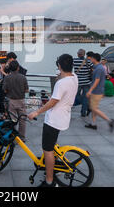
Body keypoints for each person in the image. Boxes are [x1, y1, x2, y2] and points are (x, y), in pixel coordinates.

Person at [28, 54, 78, 187]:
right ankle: (52, 165)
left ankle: (50, 181)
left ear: (59, 66)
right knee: (53, 144)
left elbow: (52, 103)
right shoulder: (74, 77)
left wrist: (36, 112)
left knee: (48, 150)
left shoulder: (61, 83)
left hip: (53, 120)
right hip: (64, 117)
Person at [84, 53, 114, 131]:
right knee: (95, 108)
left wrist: (90, 91)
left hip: (96, 91)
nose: (90, 59)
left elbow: (97, 80)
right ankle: (93, 124)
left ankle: (109, 121)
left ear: (94, 59)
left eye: (91, 58)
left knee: (93, 108)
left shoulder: (99, 69)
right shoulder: (99, 67)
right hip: (98, 91)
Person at [3, 60, 29, 141]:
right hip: (21, 101)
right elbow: (27, 90)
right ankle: (22, 137)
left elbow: (5, 90)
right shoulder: (23, 77)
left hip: (11, 101)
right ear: (18, 68)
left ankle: (13, 136)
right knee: (22, 120)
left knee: (13, 120)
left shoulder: (7, 78)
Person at [73, 49, 92, 117]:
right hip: (87, 82)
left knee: (76, 96)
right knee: (85, 97)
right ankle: (83, 112)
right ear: (84, 54)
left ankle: (86, 105)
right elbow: (92, 70)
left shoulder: (74, 60)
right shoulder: (89, 61)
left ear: (78, 54)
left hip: (78, 82)